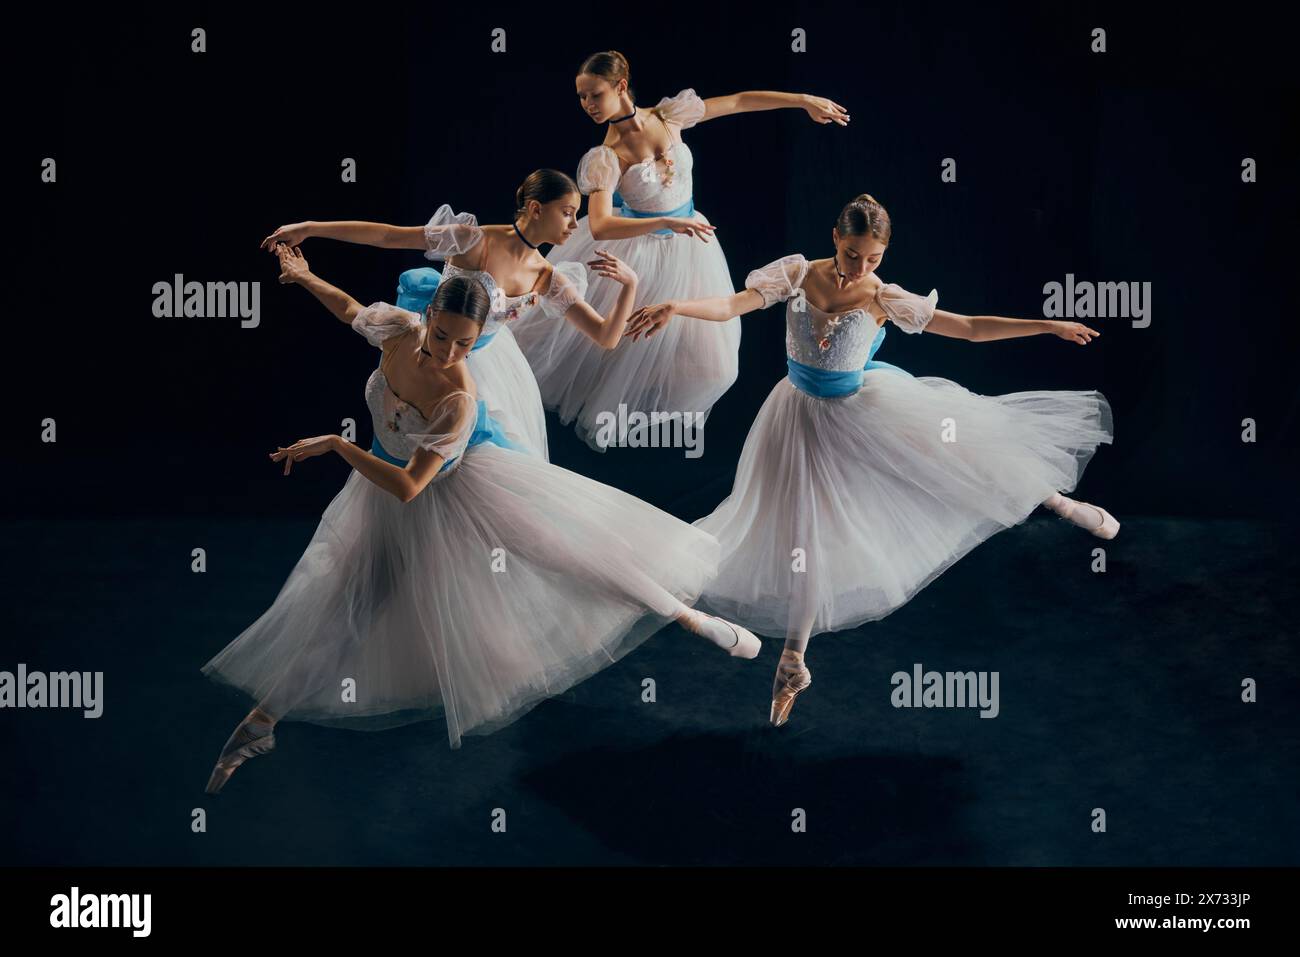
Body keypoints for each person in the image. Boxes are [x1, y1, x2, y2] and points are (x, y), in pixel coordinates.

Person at [201, 244, 760, 795]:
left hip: (466, 486)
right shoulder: (397, 329)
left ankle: (685, 614)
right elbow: (349, 308)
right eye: (440, 335)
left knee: (571, 557)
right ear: (425, 319)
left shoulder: (460, 396)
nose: (447, 352)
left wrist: (335, 446)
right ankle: (262, 723)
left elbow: (408, 486)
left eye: (465, 344)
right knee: (346, 607)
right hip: (384, 493)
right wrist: (302, 275)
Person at [629, 193, 1117, 726]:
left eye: (873, 259)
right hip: (797, 414)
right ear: (836, 238)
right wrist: (677, 307)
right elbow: (728, 305)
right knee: (803, 531)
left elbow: (969, 328)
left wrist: (1046, 326)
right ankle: (793, 660)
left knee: (963, 455)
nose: (861, 266)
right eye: (853, 253)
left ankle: (1056, 500)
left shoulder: (885, 297)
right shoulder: (795, 273)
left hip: (863, 406)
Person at [509, 49, 851, 450]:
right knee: (614, 347)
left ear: (621, 86)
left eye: (594, 95)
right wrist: (666, 222)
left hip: (690, 250)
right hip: (643, 249)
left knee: (714, 366)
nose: (587, 105)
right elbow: (600, 225)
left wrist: (801, 101)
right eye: (581, 98)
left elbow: (740, 101)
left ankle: (646, 428)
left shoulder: (669, 115)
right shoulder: (607, 156)